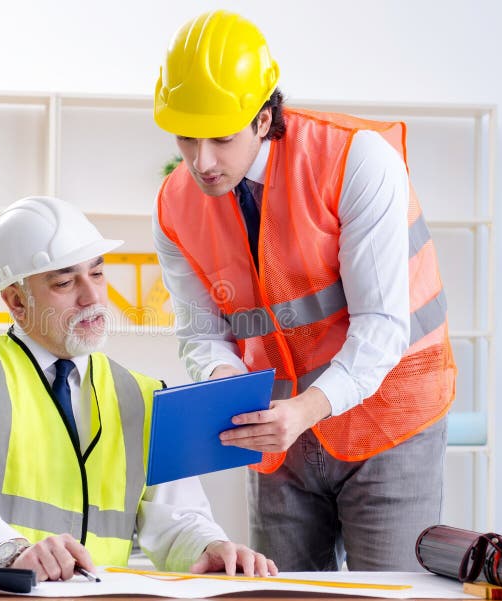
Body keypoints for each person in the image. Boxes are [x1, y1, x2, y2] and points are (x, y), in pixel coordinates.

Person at [152, 10, 456, 572]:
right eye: (187, 138)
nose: (202, 161)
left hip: (386, 416)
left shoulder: (356, 161)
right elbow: (201, 332)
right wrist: (230, 392)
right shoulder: (173, 204)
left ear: (264, 119)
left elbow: (381, 326)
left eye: (220, 138)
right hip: (279, 432)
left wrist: (305, 410)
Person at [0, 196, 277, 581]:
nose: (92, 297)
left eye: (97, 274)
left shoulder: (144, 395)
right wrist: (11, 551)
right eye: (65, 282)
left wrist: (210, 547)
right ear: (17, 300)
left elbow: (178, 520)